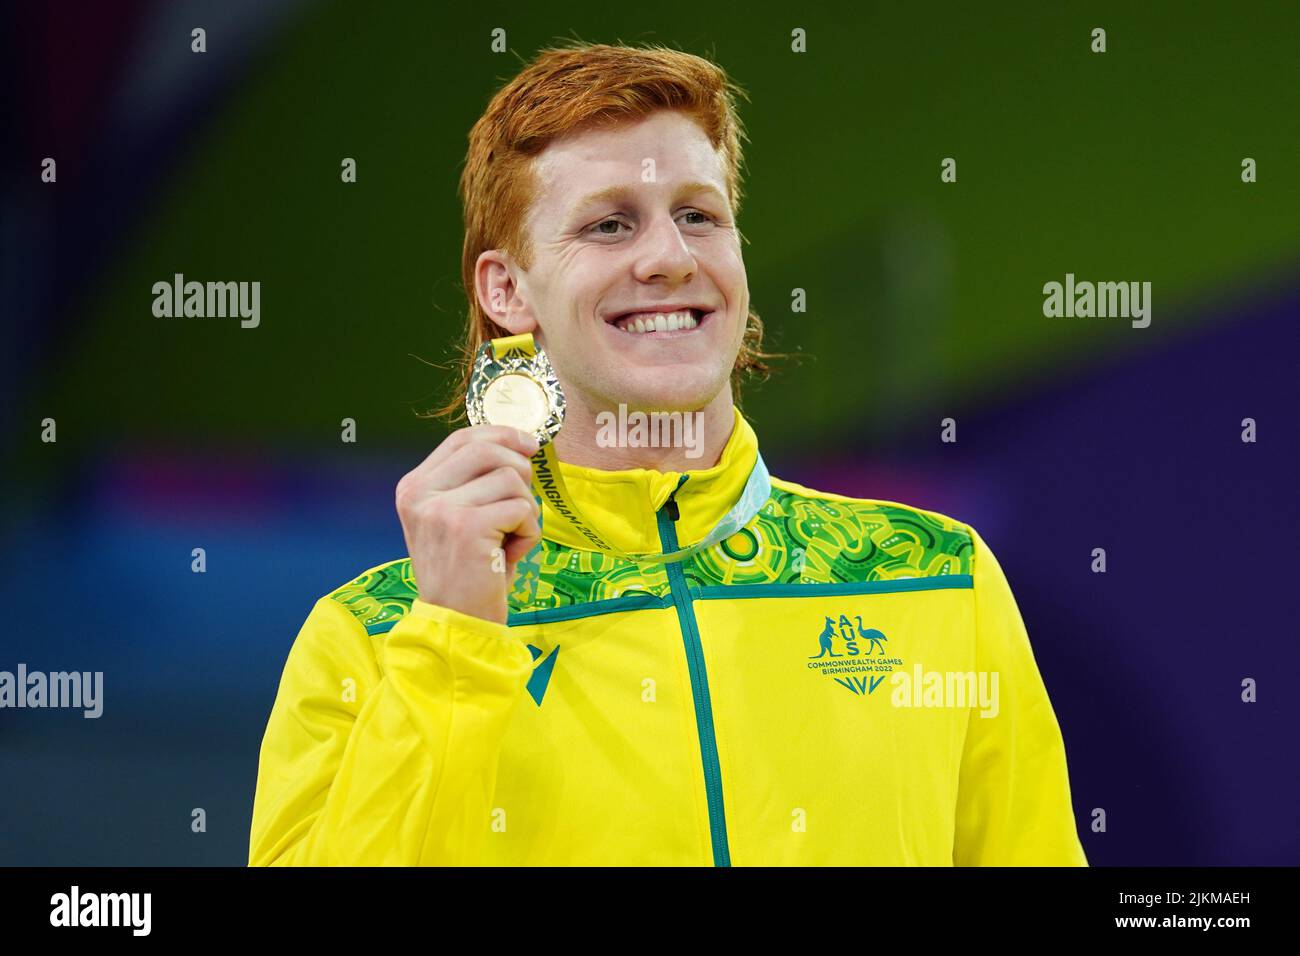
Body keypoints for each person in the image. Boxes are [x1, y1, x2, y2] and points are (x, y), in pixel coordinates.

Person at [248, 41, 1088, 867]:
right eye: (609, 225)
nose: (670, 258)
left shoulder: (937, 578)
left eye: (699, 215)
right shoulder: (371, 637)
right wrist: (455, 646)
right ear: (506, 291)